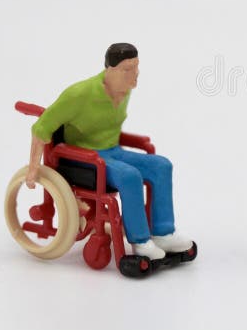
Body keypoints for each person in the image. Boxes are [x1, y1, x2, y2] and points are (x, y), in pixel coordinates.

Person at [25, 43, 193, 260]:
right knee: (129, 175)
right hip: (83, 158)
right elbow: (40, 130)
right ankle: (140, 241)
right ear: (109, 70)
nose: (135, 75)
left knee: (161, 166)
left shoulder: (125, 90)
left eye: (136, 68)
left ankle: (163, 233)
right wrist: (32, 169)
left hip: (112, 151)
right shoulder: (79, 94)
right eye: (127, 69)